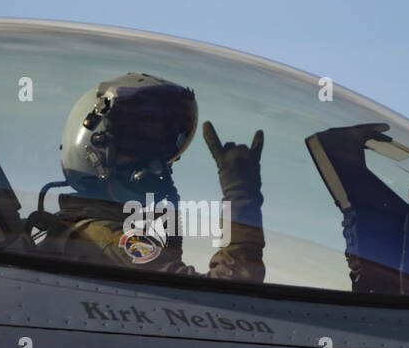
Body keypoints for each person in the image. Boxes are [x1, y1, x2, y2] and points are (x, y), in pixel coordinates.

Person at [50, 72, 265, 282]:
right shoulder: (107, 240)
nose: (155, 164)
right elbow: (227, 289)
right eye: (137, 143)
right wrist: (241, 194)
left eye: (158, 149)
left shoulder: (93, 234)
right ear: (92, 153)